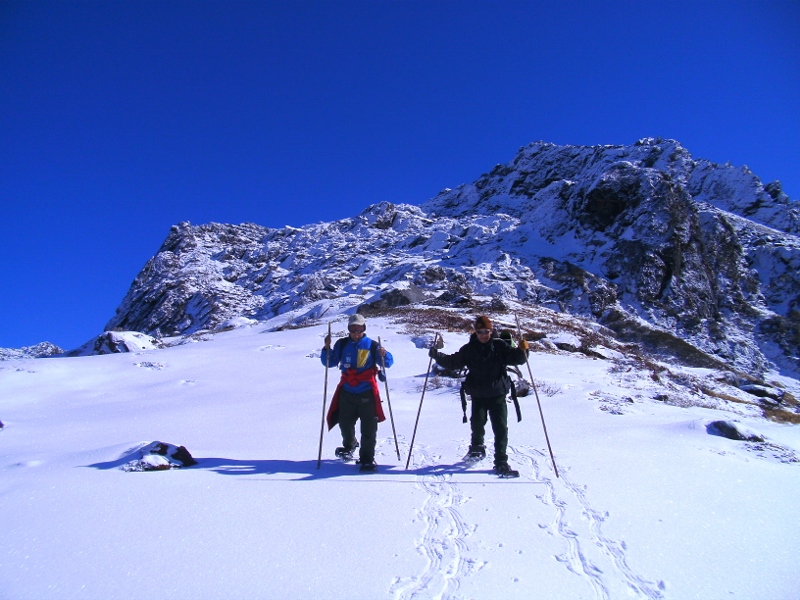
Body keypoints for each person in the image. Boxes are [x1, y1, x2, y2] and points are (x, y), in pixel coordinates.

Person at [428, 315, 529, 475]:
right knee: (477, 423)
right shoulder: (469, 349)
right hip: (478, 394)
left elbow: (517, 359)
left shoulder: (500, 346)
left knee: (500, 428)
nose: (483, 335)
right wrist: (437, 355)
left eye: (486, 331)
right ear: (475, 331)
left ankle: (501, 461)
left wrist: (524, 350)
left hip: (497, 394)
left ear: (491, 331)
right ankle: (477, 448)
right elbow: (454, 362)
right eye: (480, 331)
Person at [322, 313, 393, 472]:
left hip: (367, 392)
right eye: (352, 329)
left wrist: (384, 355)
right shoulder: (342, 344)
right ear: (348, 329)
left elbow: (388, 363)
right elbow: (330, 362)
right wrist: (327, 348)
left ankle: (367, 459)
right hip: (347, 391)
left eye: (359, 329)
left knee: (369, 428)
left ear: (364, 328)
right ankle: (350, 445)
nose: (356, 332)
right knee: (345, 424)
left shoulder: (372, 345)